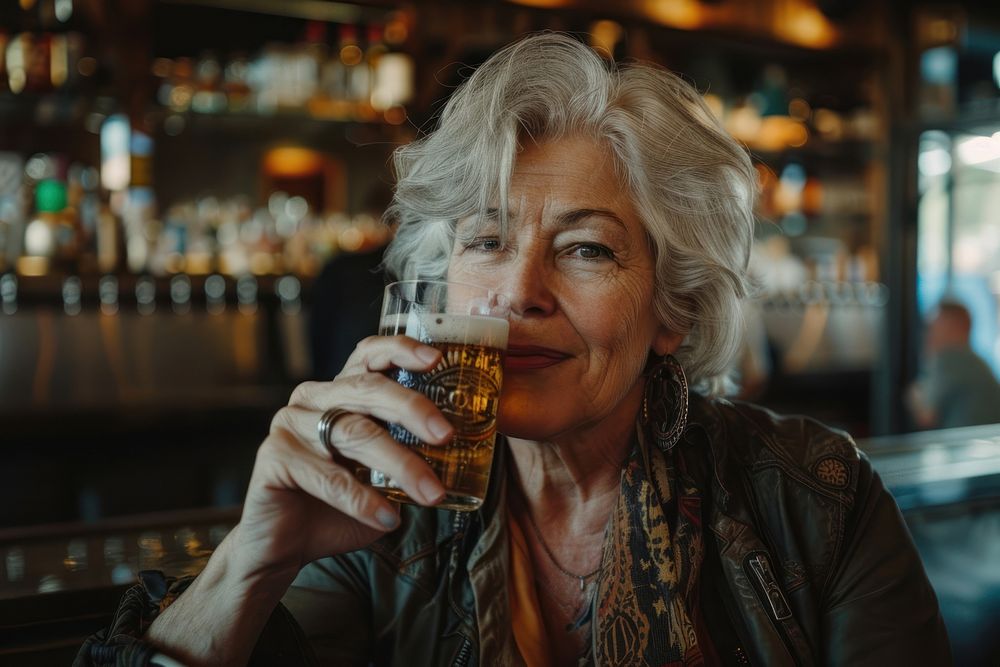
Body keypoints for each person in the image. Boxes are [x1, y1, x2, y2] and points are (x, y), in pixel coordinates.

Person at [77, 34, 950, 666]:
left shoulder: (818, 503)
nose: (516, 292)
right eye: (485, 240)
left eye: (586, 248)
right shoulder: (384, 501)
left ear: (673, 308)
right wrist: (251, 560)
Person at [908, 299, 1000, 430]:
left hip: (965, 446)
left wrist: (913, 392)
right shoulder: (976, 361)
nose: (931, 332)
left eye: (937, 324)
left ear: (955, 326)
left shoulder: (952, 359)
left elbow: (926, 416)